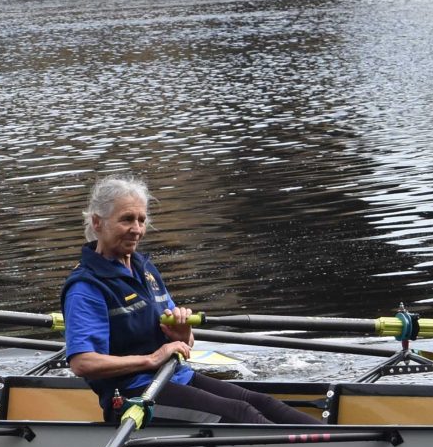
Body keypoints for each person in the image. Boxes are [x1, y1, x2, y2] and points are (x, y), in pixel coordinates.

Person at [62, 175, 317, 427]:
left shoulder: (145, 269)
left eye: (141, 220)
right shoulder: (86, 288)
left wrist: (183, 334)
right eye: (127, 219)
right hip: (134, 396)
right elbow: (83, 363)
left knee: (264, 403)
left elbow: (184, 342)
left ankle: (332, 442)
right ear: (97, 222)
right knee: (241, 413)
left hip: (175, 376)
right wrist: (152, 359)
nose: (137, 229)